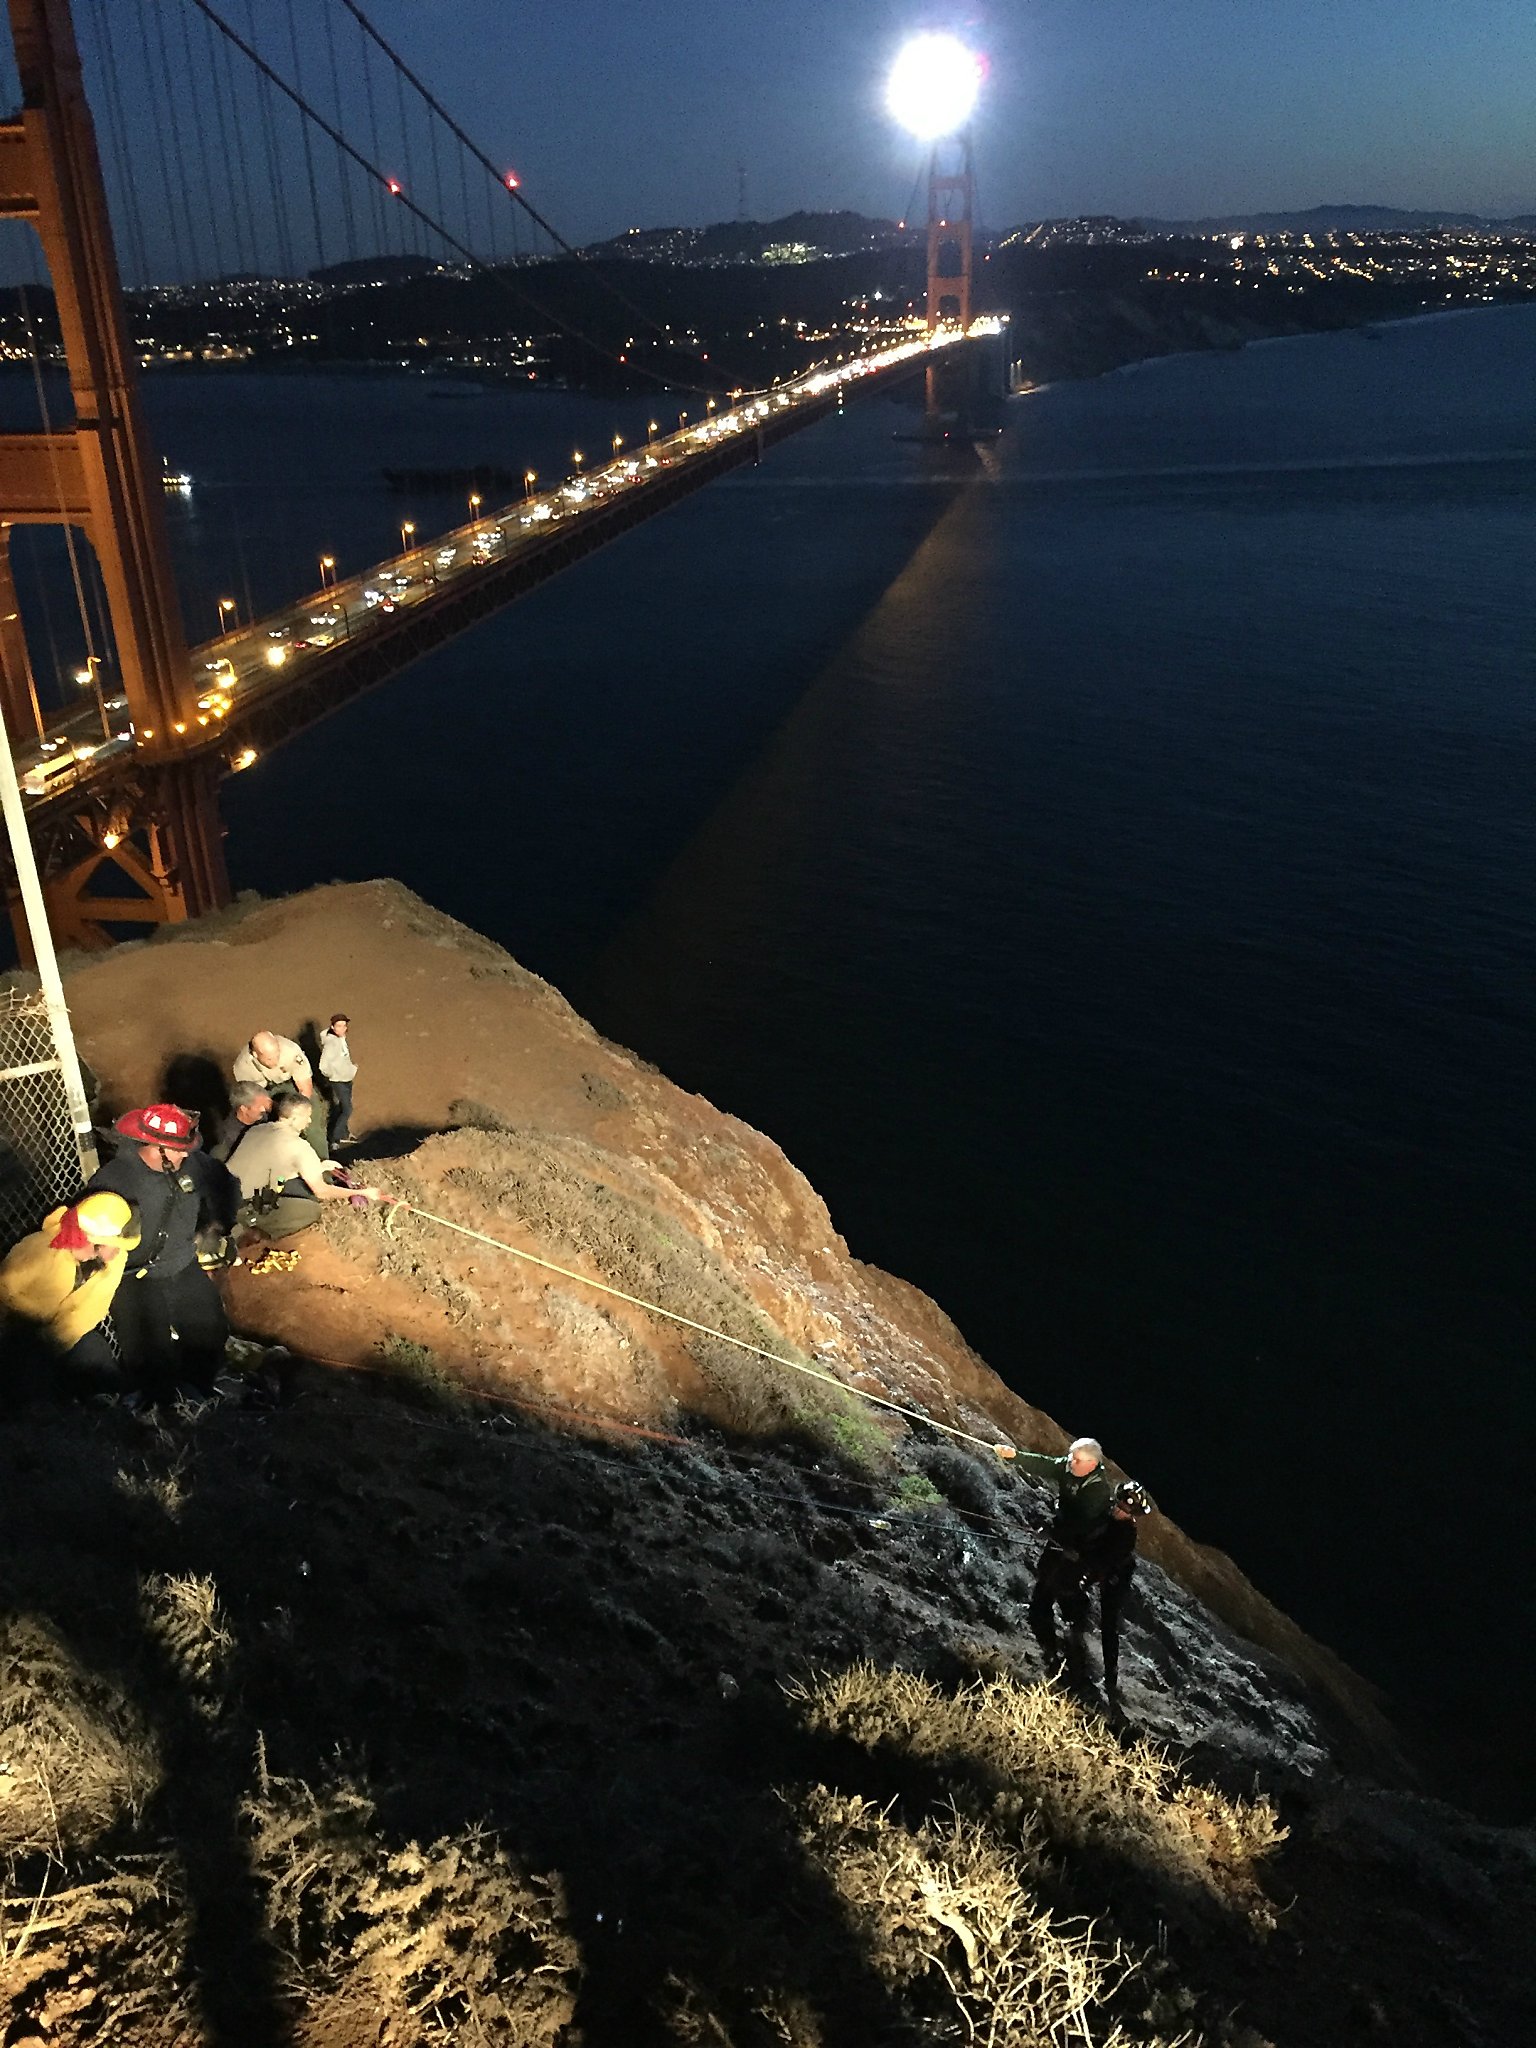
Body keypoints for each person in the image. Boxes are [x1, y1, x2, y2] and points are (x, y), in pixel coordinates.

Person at [86, 1103, 233, 1402]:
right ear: (155, 1147)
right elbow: (90, 1226)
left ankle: (199, 1396)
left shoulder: (194, 1166)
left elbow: (225, 1185)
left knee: (210, 1334)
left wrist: (213, 1226)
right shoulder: (116, 1179)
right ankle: (160, 1415)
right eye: (178, 1149)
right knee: (150, 1359)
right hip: (135, 1275)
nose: (185, 1154)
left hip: (181, 1264)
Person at [0, 1192, 141, 1402]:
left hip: (58, 1340)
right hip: (15, 1334)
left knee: (95, 1353)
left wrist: (51, 1344)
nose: (121, 1251)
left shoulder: (114, 1261)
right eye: (117, 1243)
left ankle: (107, 1409)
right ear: (94, 1239)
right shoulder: (40, 1249)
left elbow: (88, 1315)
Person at [228, 1093, 378, 1238]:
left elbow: (281, 1165)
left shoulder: (257, 1129)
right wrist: (363, 1192)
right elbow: (321, 1191)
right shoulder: (299, 1146)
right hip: (240, 1206)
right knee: (310, 1210)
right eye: (307, 1117)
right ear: (294, 1118)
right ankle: (251, 1228)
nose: (309, 1121)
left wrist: (320, 1166)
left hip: (222, 1190)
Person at [1075, 1480, 1153, 1706]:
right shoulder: (1106, 1512)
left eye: (1126, 1508)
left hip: (1115, 1575)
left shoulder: (1128, 1534)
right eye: (1119, 1503)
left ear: (1133, 1513)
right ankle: (1075, 1640)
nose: (1119, 1509)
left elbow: (1106, 1561)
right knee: (1073, 1590)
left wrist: (1084, 1563)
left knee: (1109, 1624)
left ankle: (1110, 1677)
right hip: (1096, 1562)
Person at [232, 1030, 314, 1104]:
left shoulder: (291, 1052)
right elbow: (252, 1098)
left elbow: (305, 1086)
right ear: (255, 1055)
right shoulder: (244, 1067)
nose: (275, 1061)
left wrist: (301, 1109)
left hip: (290, 1083)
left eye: (277, 1055)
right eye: (269, 1059)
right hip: (263, 1090)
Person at [318, 1012, 356, 1151]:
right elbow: (323, 1066)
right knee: (347, 1109)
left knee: (343, 1106)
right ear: (333, 1027)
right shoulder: (331, 1043)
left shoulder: (341, 1039)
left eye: (344, 1025)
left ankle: (344, 1133)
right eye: (339, 1026)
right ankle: (334, 1139)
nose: (342, 1028)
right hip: (339, 1080)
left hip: (347, 1077)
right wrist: (334, 1074)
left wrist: (350, 1068)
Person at [208, 1081, 273, 1162]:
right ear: (243, 1108)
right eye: (259, 1106)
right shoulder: (230, 1137)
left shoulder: (262, 1116)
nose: (263, 1110)